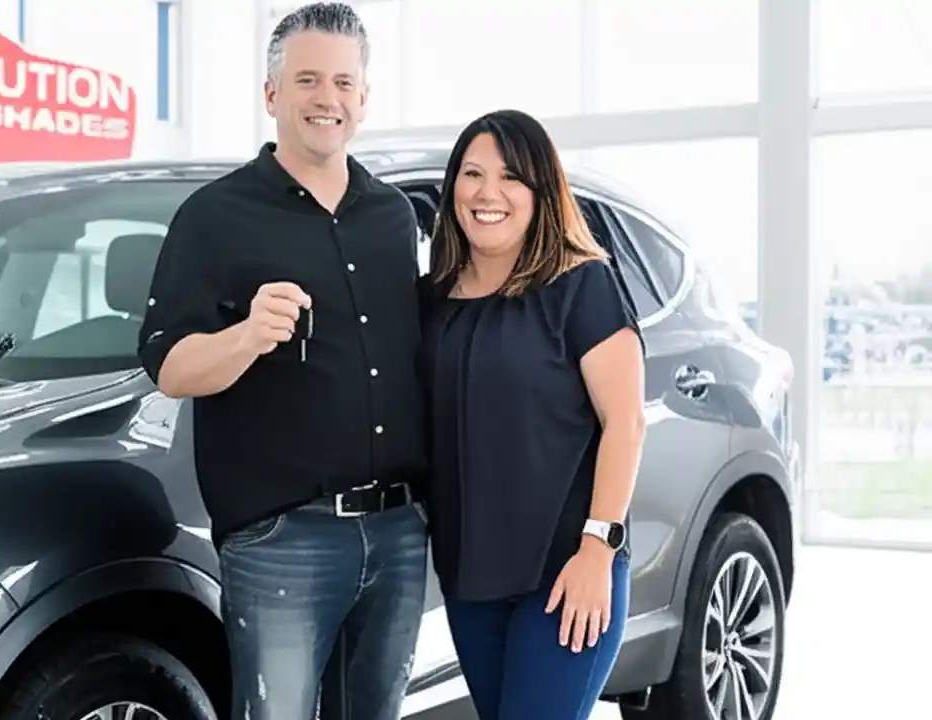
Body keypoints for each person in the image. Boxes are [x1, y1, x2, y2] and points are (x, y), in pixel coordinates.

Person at [136, 3, 429, 719]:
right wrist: (245, 336)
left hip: (399, 532)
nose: (327, 98)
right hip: (284, 541)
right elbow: (169, 367)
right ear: (272, 94)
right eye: (307, 80)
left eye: (343, 82)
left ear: (364, 97)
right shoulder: (215, 216)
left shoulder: (394, 217)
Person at [416, 109, 647, 720]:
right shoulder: (431, 301)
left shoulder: (582, 286)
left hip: (566, 571)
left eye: (511, 177)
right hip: (470, 578)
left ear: (542, 190)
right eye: (472, 174)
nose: (487, 193)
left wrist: (597, 552)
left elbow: (626, 423)